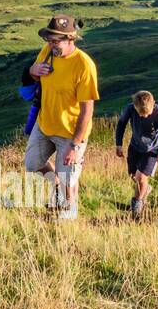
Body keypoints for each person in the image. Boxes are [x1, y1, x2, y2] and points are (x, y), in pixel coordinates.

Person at [20, 14, 99, 218]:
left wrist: (75, 144)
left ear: (70, 39)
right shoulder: (48, 52)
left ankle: (68, 222)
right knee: (32, 164)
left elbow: (87, 110)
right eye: (49, 39)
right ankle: (55, 185)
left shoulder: (84, 65)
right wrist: (32, 70)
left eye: (56, 40)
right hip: (45, 125)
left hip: (70, 134)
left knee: (68, 183)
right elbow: (34, 75)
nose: (51, 44)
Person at [115, 90, 158, 218]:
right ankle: (145, 190)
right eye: (140, 114)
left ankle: (136, 210)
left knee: (141, 178)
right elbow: (121, 124)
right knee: (134, 177)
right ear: (134, 106)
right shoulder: (130, 109)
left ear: (153, 104)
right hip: (135, 147)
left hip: (154, 150)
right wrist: (119, 144)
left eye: (146, 114)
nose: (143, 116)